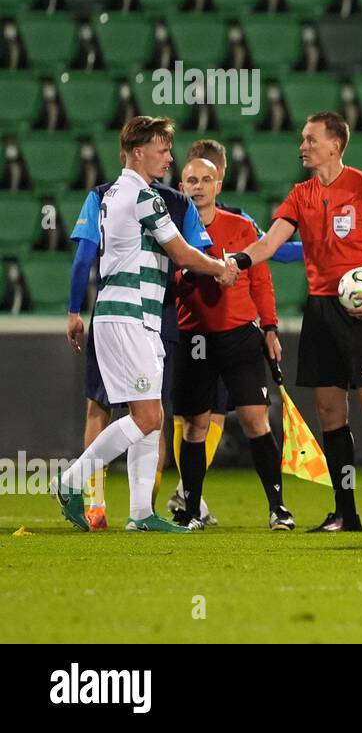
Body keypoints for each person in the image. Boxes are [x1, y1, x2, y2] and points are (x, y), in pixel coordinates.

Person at [57, 117, 238, 534]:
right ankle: (69, 481)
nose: (169, 158)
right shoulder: (143, 196)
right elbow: (184, 253)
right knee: (146, 417)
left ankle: (140, 513)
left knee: (149, 415)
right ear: (138, 152)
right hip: (129, 315)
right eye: (162, 150)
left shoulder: (110, 195)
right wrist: (221, 268)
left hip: (133, 315)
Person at [231, 111, 362, 534]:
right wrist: (236, 261)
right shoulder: (300, 194)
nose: (302, 147)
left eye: (310, 140)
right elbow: (270, 242)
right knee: (330, 412)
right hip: (320, 310)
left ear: (335, 144)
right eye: (302, 140)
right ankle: (346, 511)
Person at [163, 137, 303, 523]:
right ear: (181, 187)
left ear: (218, 185)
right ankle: (190, 510)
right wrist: (202, 272)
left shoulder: (241, 227)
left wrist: (270, 328)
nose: (197, 186)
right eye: (190, 180)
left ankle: (278, 508)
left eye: (205, 179)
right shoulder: (171, 233)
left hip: (241, 334)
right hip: (194, 338)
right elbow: (171, 282)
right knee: (195, 425)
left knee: (256, 419)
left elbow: (261, 282)